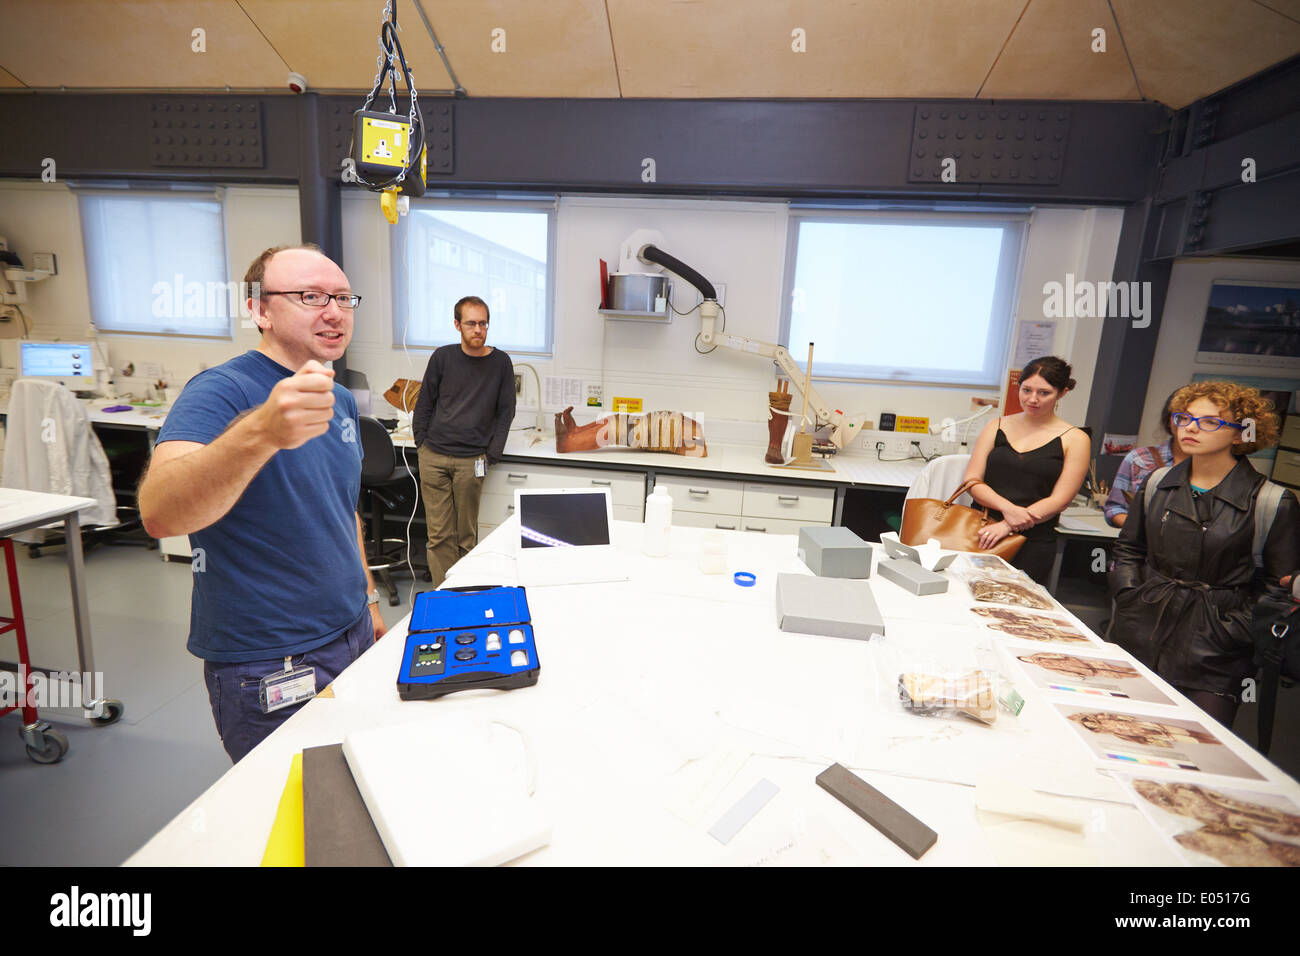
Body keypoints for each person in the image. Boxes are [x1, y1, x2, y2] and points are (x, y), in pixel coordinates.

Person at [139, 244, 387, 762]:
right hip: (270, 661)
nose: (334, 311)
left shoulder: (337, 399)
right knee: (289, 805)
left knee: (356, 785)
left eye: (344, 297)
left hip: (351, 634)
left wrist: (366, 599)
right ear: (258, 309)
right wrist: (263, 432)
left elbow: (341, 510)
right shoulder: (220, 391)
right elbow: (160, 512)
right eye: (310, 295)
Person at [1107, 381, 1300, 728]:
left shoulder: (1272, 501)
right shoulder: (1157, 482)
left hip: (1215, 657)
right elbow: (1129, 549)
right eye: (1184, 418)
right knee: (1117, 734)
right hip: (1140, 632)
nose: (1191, 428)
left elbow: (1280, 587)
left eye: (1210, 422)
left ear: (1242, 434)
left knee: (1192, 756)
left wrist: (1229, 631)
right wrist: (1129, 596)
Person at [412, 296, 516, 585]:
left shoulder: (501, 363)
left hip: (473, 461)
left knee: (466, 536)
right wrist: (422, 443)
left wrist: (491, 454)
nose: (478, 330)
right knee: (439, 536)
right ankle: (444, 595)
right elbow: (424, 404)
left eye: (483, 323)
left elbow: (506, 412)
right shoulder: (443, 357)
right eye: (471, 323)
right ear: (457, 325)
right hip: (433, 456)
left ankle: (466, 591)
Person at [962, 356, 1091, 584]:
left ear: (1061, 393)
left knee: (1014, 613)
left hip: (1033, 539)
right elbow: (972, 481)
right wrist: (1007, 509)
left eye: (1044, 393)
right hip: (982, 530)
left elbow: (1060, 500)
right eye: (1026, 390)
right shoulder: (996, 426)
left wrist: (1008, 524)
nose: (1033, 399)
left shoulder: (1076, 438)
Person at [1103, 388, 1188, 528]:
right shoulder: (1139, 459)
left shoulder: (1218, 466)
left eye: (1205, 421)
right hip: (1145, 545)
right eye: (1181, 417)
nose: (1190, 427)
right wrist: (1141, 529)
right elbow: (1114, 508)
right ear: (1169, 419)